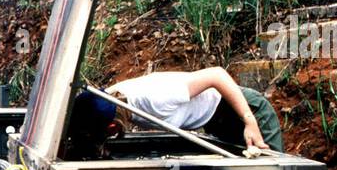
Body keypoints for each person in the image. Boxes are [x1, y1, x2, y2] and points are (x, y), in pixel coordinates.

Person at [103, 67, 284, 153]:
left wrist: (249, 121)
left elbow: (217, 75)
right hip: (215, 122)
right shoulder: (107, 98)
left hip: (242, 111)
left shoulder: (156, 96)